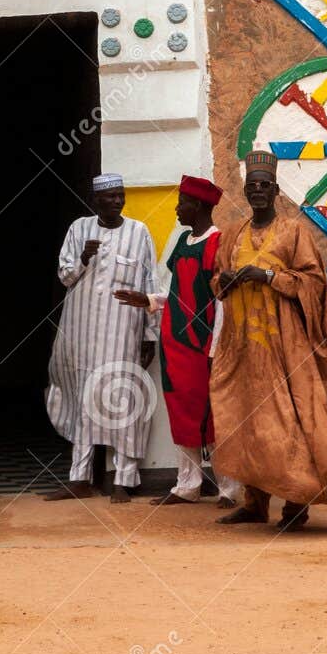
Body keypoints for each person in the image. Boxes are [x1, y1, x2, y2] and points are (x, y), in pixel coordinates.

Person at [210, 149, 327, 532]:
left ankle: (296, 505)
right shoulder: (232, 233)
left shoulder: (293, 231)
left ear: (277, 190)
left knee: (292, 421)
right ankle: (254, 502)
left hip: (285, 346)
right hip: (242, 346)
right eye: (252, 186)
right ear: (246, 191)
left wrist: (267, 278)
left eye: (265, 186)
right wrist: (226, 282)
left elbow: (314, 282)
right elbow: (216, 280)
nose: (258, 192)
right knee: (247, 420)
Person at [115, 174, 241, 507]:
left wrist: (216, 348)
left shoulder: (219, 243)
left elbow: (223, 302)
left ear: (198, 205)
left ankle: (229, 488)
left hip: (204, 345)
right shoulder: (183, 241)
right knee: (182, 413)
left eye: (182, 203)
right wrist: (148, 300)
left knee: (213, 414)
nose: (176, 209)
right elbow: (176, 293)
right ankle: (188, 485)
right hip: (175, 345)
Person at [44, 173, 163, 504]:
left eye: (120, 195)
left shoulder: (139, 232)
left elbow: (150, 283)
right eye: (109, 196)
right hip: (81, 336)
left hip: (123, 334)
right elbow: (64, 276)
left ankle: (124, 480)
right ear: (95, 200)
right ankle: (79, 478)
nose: (116, 201)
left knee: (123, 399)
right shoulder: (78, 229)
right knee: (83, 399)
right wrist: (83, 258)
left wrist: (149, 335)